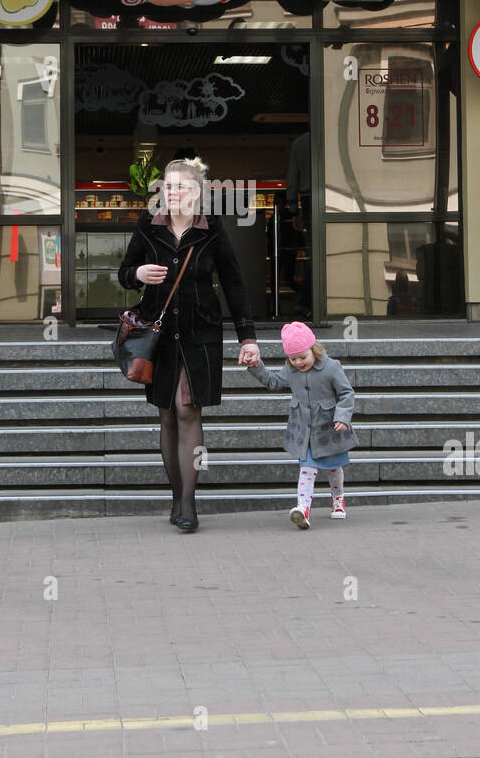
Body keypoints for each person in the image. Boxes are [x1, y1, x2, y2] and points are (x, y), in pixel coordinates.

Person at [117, 156, 260, 533]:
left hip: (201, 334)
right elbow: (123, 273)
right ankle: (176, 495)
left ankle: (189, 502)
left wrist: (248, 337)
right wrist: (138, 273)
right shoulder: (148, 225)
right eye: (167, 186)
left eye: (180, 186)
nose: (172, 192)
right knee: (166, 414)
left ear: (196, 193)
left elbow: (233, 283)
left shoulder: (212, 229)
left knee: (188, 411)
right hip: (159, 336)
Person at [246, 321, 356, 529]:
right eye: (293, 358)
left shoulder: (332, 367)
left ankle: (338, 497)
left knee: (333, 468)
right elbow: (272, 381)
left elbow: (346, 393)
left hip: (329, 429)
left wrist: (342, 416)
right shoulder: (291, 370)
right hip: (304, 431)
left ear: (314, 349)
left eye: (302, 357)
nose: (298, 362)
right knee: (307, 469)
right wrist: (256, 366)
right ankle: (303, 509)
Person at [286, 130, 312, 318]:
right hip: (334, 195)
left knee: (314, 252)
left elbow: (292, 178)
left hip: (308, 196)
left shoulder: (300, 143)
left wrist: (294, 210)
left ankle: (305, 302)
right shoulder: (331, 138)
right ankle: (307, 301)